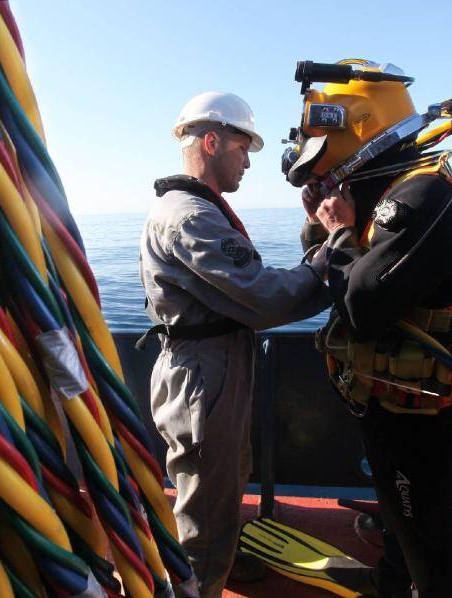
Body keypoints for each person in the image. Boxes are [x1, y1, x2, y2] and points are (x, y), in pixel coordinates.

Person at [286, 60, 452, 597]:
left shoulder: (421, 198)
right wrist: (324, 226)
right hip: (393, 398)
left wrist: (334, 232)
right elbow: (349, 272)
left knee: (423, 526)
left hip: (418, 410)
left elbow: (361, 306)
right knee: (401, 515)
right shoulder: (391, 195)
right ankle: (393, 584)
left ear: (357, 122)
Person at [139, 91, 331, 597]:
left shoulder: (198, 210)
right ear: (211, 141)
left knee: (214, 496)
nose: (248, 163)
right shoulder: (193, 217)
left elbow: (248, 281)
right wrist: (333, 249)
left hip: (211, 365)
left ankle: (206, 575)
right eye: (243, 150)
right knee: (207, 515)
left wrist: (314, 228)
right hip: (206, 376)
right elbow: (267, 296)